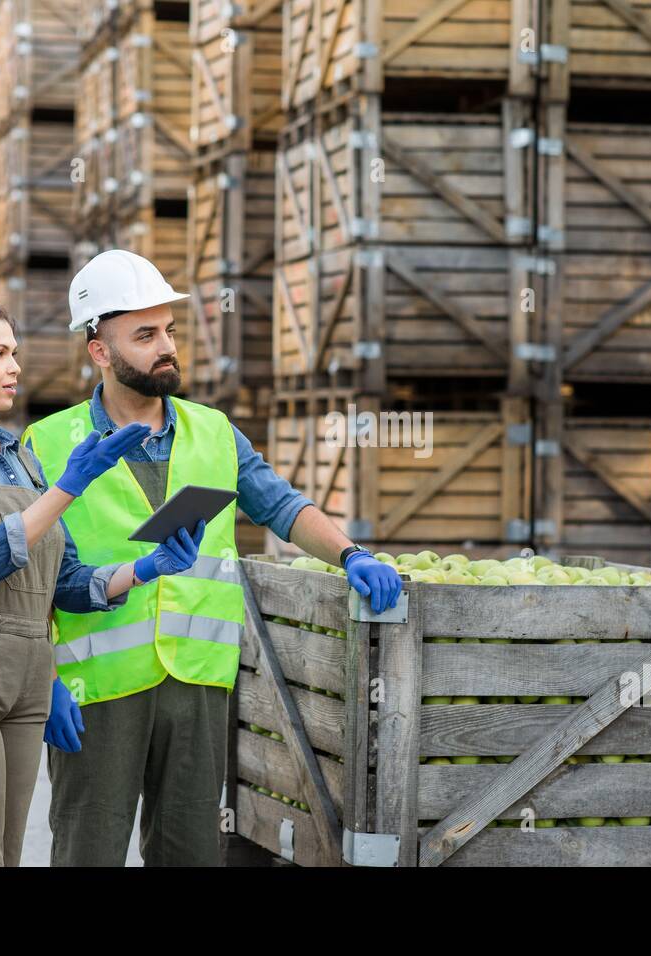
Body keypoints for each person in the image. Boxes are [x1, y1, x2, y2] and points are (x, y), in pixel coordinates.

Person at [23, 250, 403, 866]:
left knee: (193, 854)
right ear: (99, 350)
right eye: (144, 335)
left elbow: (282, 507)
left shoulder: (216, 433)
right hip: (95, 689)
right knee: (86, 851)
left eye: (168, 330)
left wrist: (351, 554)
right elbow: (29, 579)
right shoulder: (47, 443)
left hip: (197, 684)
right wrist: (41, 680)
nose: (165, 346)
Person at [0, 299, 206, 867]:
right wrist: (73, 484)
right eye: (0, 354)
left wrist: (148, 567)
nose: (15, 367)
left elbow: (66, 583)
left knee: (5, 856)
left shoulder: (20, 462)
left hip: (28, 673)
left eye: (17, 353)